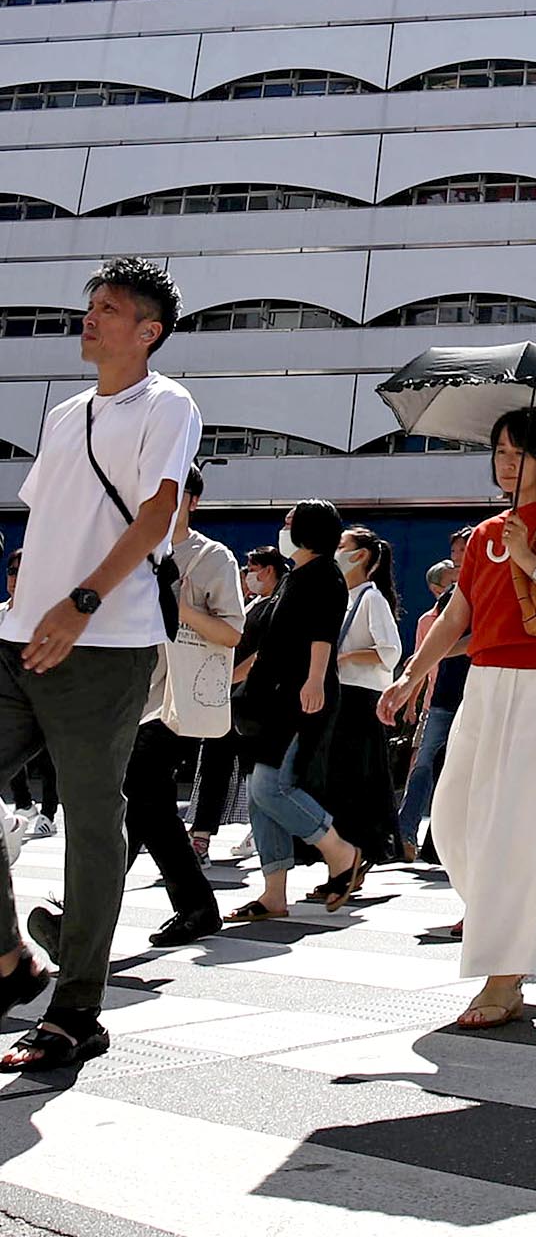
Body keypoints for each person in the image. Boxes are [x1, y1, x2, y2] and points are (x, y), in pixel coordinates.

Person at [0, 257, 201, 1072]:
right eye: (91, 306)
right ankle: (13, 961)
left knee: (91, 820)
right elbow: (48, 522)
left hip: (104, 643)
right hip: (21, 638)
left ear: (148, 331)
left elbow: (157, 513)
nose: (91, 318)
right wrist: (23, 609)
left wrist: (79, 603)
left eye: (110, 308)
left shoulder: (169, 404)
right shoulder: (65, 414)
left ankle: (77, 1010)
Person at [378, 407, 536, 1030]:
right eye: (500, 449)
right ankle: (513, 931)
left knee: (515, 828)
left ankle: (505, 977)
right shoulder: (482, 535)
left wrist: (530, 558)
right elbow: (456, 619)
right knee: (450, 821)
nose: (507, 461)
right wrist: (409, 676)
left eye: (519, 451)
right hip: (485, 681)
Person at [116, 464, 243, 948]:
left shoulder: (212, 558)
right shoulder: (130, 550)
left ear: (191, 499)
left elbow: (232, 633)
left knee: (137, 789)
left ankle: (86, 909)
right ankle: (196, 906)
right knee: (140, 801)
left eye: (171, 494)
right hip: (129, 695)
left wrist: (175, 602)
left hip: (179, 701)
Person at [225, 500, 362, 924]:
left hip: (298, 697)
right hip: (274, 697)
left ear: (307, 529)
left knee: (270, 787)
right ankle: (273, 893)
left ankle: (340, 851)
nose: (283, 528)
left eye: (289, 522)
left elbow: (322, 632)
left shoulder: (322, 574)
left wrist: (315, 679)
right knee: (261, 796)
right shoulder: (295, 576)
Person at [191, 546, 288, 864]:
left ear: (268, 570)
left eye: (252, 569)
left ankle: (266, 832)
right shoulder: (253, 603)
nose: (248, 576)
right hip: (231, 699)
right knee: (215, 766)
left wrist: (230, 678)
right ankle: (201, 836)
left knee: (257, 773)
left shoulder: (277, 605)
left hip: (254, 700)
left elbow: (263, 655)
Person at [321, 525, 403, 870]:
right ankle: (349, 857)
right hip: (342, 696)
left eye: (342, 545)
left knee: (358, 778)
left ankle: (364, 850)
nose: (336, 551)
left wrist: (346, 657)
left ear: (361, 555)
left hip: (361, 698)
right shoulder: (344, 596)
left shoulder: (371, 598)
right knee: (342, 779)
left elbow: (390, 651)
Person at [396, 527, 473, 858]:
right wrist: (409, 686)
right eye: (454, 551)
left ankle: (438, 843)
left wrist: (443, 650)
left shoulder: (492, 589)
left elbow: (476, 639)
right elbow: (428, 646)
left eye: (463, 550)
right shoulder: (451, 597)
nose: (457, 557)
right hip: (443, 697)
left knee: (458, 772)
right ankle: (405, 834)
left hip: (476, 695)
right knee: (424, 763)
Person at [1, 553, 58, 842]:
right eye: (11, 571)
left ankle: (48, 813)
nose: (15, 578)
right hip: (8, 702)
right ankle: (23, 805)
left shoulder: (52, 621)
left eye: (23, 572)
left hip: (43, 700)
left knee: (49, 760)